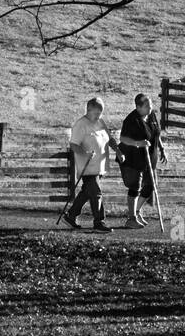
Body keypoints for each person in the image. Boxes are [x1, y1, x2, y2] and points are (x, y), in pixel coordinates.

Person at [64, 97, 119, 233]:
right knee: (96, 193)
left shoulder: (100, 122)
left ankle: (71, 215)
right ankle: (99, 221)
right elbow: (73, 145)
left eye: (100, 114)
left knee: (87, 192)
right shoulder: (80, 125)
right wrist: (85, 153)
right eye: (96, 114)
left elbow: (109, 139)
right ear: (88, 110)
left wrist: (118, 151)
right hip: (87, 167)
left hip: (99, 166)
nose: (98, 117)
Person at [117, 93, 166, 229]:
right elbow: (123, 139)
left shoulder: (151, 115)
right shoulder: (131, 120)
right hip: (132, 158)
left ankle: (136, 211)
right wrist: (138, 143)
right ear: (138, 107)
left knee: (151, 186)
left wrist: (161, 148)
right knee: (135, 187)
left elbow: (156, 132)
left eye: (150, 105)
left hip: (149, 158)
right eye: (147, 106)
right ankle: (131, 219)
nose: (150, 108)